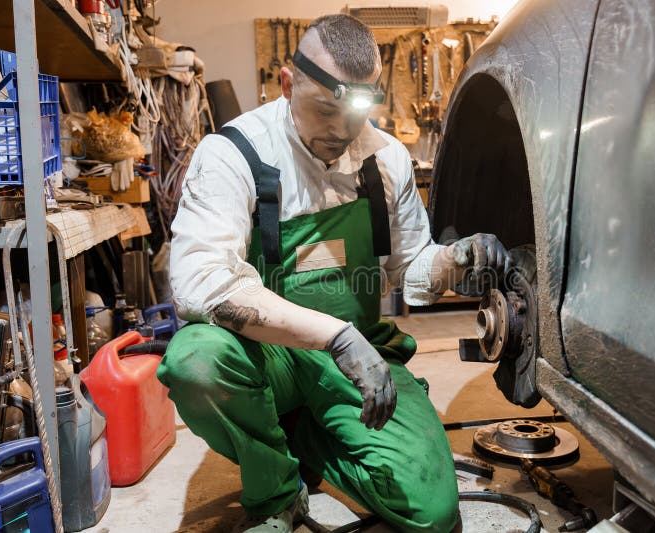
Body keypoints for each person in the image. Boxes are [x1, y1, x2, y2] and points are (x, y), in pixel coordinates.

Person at [158, 13, 511, 533]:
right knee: (196, 362)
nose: (342, 131)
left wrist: (451, 261)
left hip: (361, 356)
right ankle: (276, 492)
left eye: (355, 113)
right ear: (287, 83)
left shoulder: (386, 159)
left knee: (430, 513)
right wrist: (335, 337)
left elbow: (409, 269)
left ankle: (305, 437)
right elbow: (200, 285)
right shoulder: (234, 154)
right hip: (267, 355)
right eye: (326, 110)